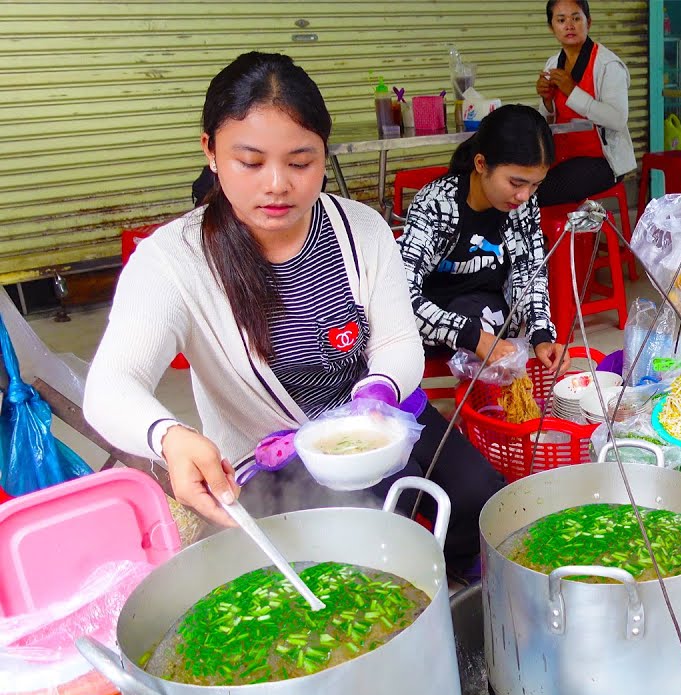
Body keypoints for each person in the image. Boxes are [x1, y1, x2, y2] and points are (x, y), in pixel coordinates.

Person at [83, 52, 505, 581]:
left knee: (480, 500)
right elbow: (109, 386)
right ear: (211, 152)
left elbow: (399, 340)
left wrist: (376, 395)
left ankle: (463, 592)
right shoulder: (173, 261)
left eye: (300, 162)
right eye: (251, 162)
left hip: (379, 415)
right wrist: (168, 435)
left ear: (324, 156)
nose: (277, 184)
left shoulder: (363, 230)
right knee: (364, 544)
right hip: (274, 460)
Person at [398, 104, 565, 372]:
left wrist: (542, 336)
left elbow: (530, 272)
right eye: (516, 183)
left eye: (535, 185)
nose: (524, 196)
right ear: (481, 164)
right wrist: (471, 335)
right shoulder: (435, 204)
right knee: (470, 313)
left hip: (490, 316)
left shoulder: (523, 206)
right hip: (434, 325)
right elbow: (401, 293)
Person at [535, 0, 636, 207]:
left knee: (539, 191)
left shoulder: (608, 65)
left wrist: (572, 91)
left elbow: (617, 119)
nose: (569, 25)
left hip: (604, 163)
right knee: (520, 182)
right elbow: (549, 121)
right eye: (561, 20)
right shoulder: (553, 63)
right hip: (561, 157)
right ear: (551, 27)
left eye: (576, 18)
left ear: (588, 22)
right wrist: (546, 101)